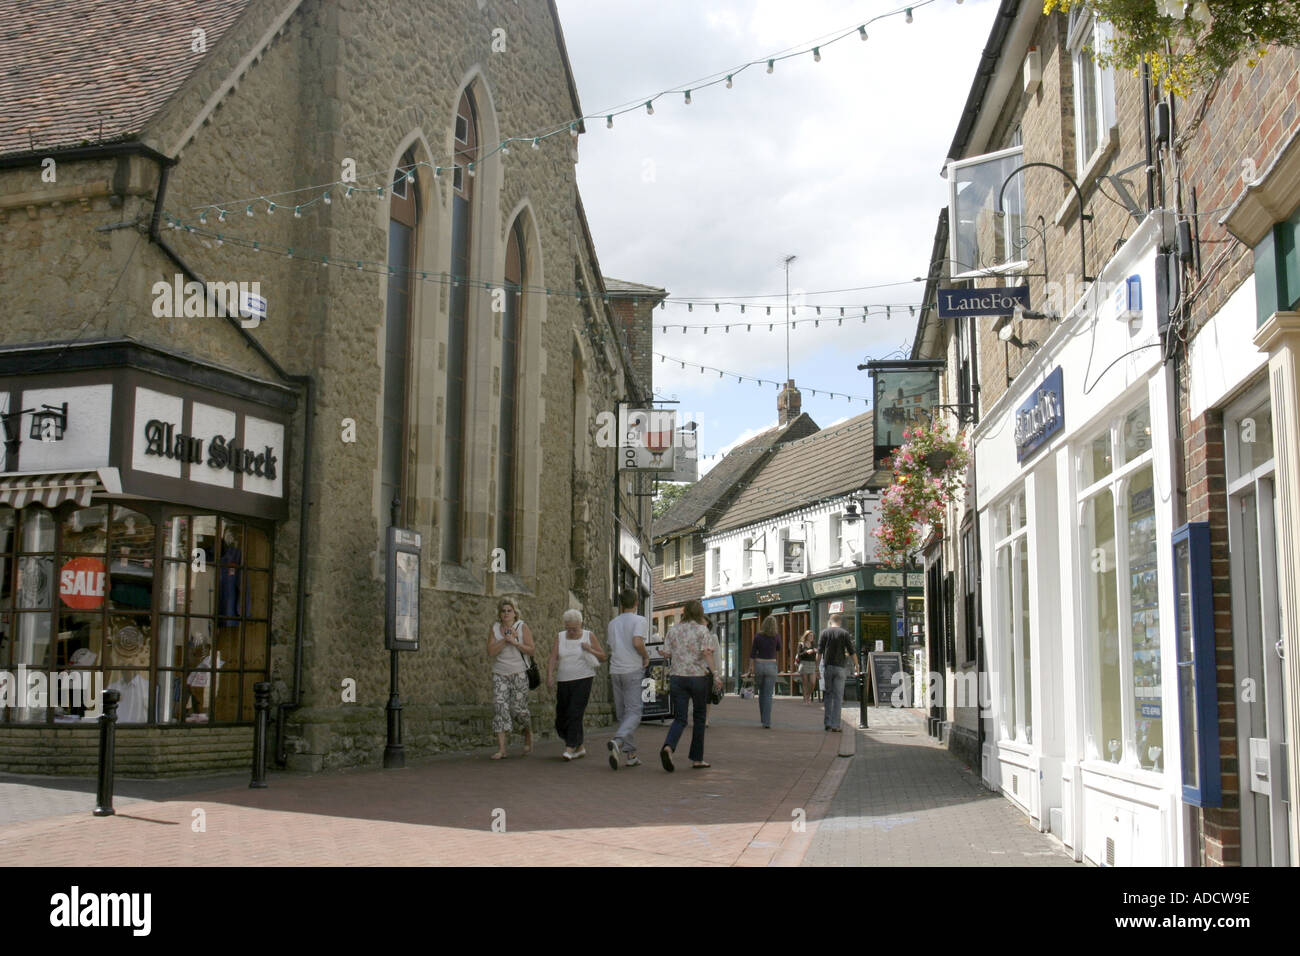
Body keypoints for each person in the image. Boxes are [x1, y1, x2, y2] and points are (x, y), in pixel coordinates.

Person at [660, 599, 720, 770]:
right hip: (698, 677)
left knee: (680, 718)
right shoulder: (703, 631)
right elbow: (707, 653)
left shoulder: (673, 630)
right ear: (700, 613)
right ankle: (697, 758)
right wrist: (715, 674)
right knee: (699, 717)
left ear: (685, 612)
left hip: (677, 677)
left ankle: (668, 747)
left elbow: (667, 653)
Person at [548, 609, 608, 760]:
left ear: (580, 624)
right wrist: (549, 675)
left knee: (575, 712)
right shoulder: (560, 637)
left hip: (583, 679)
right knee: (561, 717)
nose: (571, 631)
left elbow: (603, 657)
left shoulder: (589, 636)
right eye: (568, 628)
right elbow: (553, 657)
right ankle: (580, 746)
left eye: (574, 629)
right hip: (563, 680)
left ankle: (570, 747)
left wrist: (590, 649)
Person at [606, 589, 650, 769]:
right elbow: (637, 642)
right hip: (632, 668)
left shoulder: (613, 623)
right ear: (637, 603)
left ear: (621, 604)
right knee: (635, 711)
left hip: (615, 669)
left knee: (624, 713)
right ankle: (618, 740)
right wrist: (645, 657)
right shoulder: (640, 620)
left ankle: (630, 754)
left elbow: (611, 646)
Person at [487, 597, 535, 759]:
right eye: (503, 611)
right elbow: (491, 652)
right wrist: (504, 641)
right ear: (499, 614)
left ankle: (527, 731)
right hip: (500, 673)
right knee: (500, 706)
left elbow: (531, 650)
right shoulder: (494, 628)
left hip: (519, 673)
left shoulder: (522, 627)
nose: (506, 613)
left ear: (515, 613)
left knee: (518, 709)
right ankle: (502, 749)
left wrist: (515, 642)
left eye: (509, 611)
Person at [818, 613, 859, 733]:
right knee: (838, 697)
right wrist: (857, 665)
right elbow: (852, 651)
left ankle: (827, 722)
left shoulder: (824, 633)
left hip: (828, 667)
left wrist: (816, 668)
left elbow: (819, 652)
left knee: (828, 695)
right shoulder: (844, 633)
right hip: (841, 667)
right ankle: (836, 724)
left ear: (830, 622)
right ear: (840, 622)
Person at [750, 614, 781, 728]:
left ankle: (763, 718)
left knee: (761, 692)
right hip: (771, 665)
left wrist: (751, 667)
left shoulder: (758, 636)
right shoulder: (776, 636)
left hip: (759, 665)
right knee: (768, 694)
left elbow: (752, 653)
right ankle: (766, 721)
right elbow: (779, 648)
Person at [795, 629, 819, 704]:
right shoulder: (801, 644)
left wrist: (816, 651)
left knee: (812, 683)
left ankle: (808, 695)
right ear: (806, 636)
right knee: (805, 683)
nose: (812, 637)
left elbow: (817, 653)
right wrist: (806, 652)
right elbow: (799, 654)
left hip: (812, 664)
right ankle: (805, 698)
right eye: (810, 636)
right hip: (804, 664)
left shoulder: (814, 644)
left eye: (812, 636)